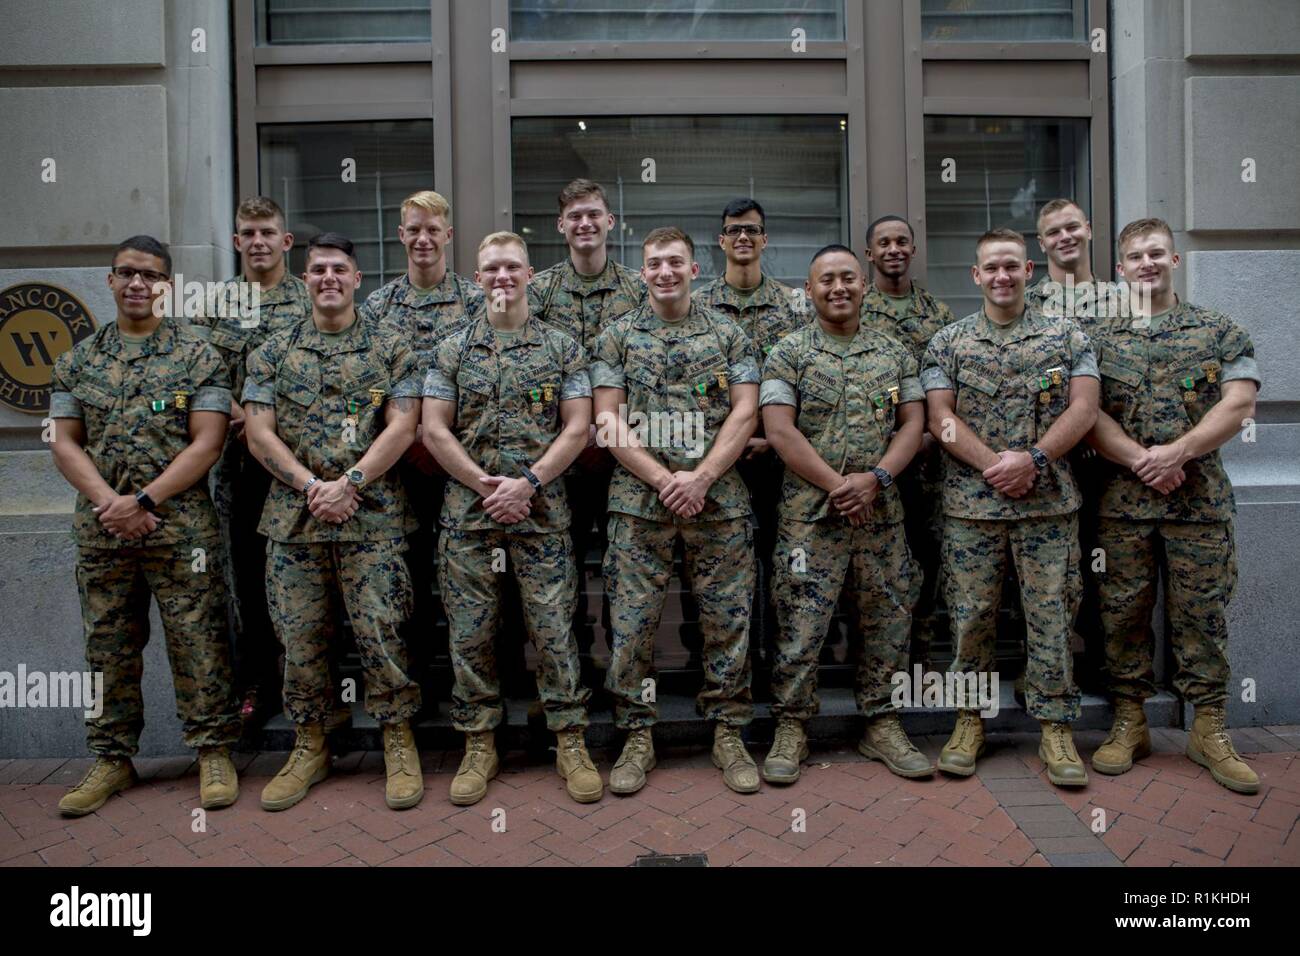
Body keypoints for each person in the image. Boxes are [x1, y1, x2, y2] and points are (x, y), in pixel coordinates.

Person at [50, 235, 240, 815]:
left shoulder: (199, 355)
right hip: (103, 531)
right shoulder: (77, 360)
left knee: (199, 641)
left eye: (151, 275)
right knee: (107, 648)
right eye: (127, 273)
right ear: (110, 281)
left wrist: (145, 500)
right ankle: (110, 757)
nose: (138, 283)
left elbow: (207, 440)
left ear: (168, 285)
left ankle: (213, 751)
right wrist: (112, 502)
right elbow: (64, 441)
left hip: (181, 532)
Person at [243, 233, 424, 811]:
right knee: (299, 641)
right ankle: (311, 742)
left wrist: (349, 484)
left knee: (382, 633)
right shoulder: (271, 350)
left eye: (338, 269)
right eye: (317, 269)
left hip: (372, 520)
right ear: (305, 279)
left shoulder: (393, 345)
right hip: (294, 523)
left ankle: (397, 737)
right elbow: (257, 431)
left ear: (357, 278)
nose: (328, 278)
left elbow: (402, 426)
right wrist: (310, 487)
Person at [423, 231, 602, 806]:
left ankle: (570, 739)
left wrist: (527, 483)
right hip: (470, 519)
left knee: (553, 630)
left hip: (542, 515)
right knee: (471, 634)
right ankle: (479, 742)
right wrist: (485, 486)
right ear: (477, 280)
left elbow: (579, 426)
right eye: (491, 269)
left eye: (512, 268)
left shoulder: (562, 347)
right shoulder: (451, 349)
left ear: (530, 274)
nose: (502, 277)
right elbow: (434, 428)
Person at [1086, 217, 1261, 794]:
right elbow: (1088, 416)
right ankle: (1129, 720)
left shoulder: (1219, 331)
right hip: (1123, 509)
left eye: (1157, 253)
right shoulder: (1098, 340)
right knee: (1122, 617)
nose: (1147, 264)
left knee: (1202, 616)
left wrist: (1179, 451)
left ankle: (1209, 727)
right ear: (1120, 268)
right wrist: (1144, 460)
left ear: (1175, 260)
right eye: (1135, 256)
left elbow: (1238, 404)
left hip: (1199, 506)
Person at [922, 228, 1099, 787]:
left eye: (1011, 267)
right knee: (970, 619)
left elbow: (1085, 409)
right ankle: (968, 720)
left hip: (1047, 508)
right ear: (976, 276)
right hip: (972, 510)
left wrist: (1035, 459)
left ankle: (1054, 727)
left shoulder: (1067, 336)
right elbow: (939, 419)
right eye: (990, 268)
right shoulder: (947, 343)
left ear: (1028, 271)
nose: (1001, 276)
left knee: (1050, 617)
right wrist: (996, 465)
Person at [591, 226, 761, 795]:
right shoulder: (617, 337)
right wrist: (668, 480)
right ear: (643, 273)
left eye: (675, 262)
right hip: (641, 507)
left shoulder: (730, 334)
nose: (664, 271)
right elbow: (608, 421)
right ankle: (637, 732)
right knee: (634, 626)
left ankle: (728, 731)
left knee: (727, 621)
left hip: (718, 504)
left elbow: (745, 414)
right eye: (654, 263)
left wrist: (703, 476)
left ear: (694, 269)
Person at [761, 244, 931, 783]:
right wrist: (840, 486)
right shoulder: (786, 352)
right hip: (810, 519)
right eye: (826, 280)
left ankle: (880, 722)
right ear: (809, 290)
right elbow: (779, 430)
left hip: (881, 515)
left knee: (886, 620)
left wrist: (875, 479)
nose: (838, 288)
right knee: (800, 624)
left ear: (864, 285)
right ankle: (791, 726)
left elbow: (913, 425)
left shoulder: (895, 351)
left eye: (848, 279)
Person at [366, 190, 485, 707]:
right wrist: (407, 435)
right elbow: (367, 383)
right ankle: (421, 687)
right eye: (413, 229)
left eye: (432, 229)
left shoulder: (477, 302)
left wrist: (438, 438)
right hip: (398, 467)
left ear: (448, 235)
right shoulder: (376, 306)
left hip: (464, 463)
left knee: (473, 577)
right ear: (401, 235)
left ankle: (480, 687)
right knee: (406, 576)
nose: (423, 239)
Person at [202, 196, 312, 725]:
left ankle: (317, 680)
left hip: (298, 465)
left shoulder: (309, 300)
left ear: (285, 241)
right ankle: (260, 684)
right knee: (246, 575)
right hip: (239, 464)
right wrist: (240, 412)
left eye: (268, 232)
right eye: (248, 233)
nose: (259, 242)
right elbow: (198, 374)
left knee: (307, 572)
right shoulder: (217, 304)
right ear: (237, 241)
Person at [528, 179, 645, 674]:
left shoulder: (639, 289)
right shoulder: (538, 293)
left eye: (594, 214)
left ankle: (621, 673)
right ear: (561, 225)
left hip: (629, 457)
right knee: (560, 571)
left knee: (625, 569)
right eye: (575, 215)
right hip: (560, 460)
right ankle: (570, 675)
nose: (585, 223)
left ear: (609, 221)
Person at [693, 197, 808, 670]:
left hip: (780, 460)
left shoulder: (795, 307)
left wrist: (776, 437)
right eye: (734, 230)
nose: (743, 237)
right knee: (712, 570)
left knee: (783, 564)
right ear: (720, 240)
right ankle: (718, 668)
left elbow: (808, 377)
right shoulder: (696, 305)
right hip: (715, 463)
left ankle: (776, 669)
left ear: (765, 239)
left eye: (753, 230)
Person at [860, 214, 956, 668]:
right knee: (874, 567)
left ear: (913, 251)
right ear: (869, 254)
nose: (894, 249)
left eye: (902, 241)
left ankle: (918, 659)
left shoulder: (938, 315)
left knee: (926, 557)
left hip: (926, 465)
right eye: (884, 243)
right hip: (869, 461)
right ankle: (874, 663)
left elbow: (948, 390)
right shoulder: (855, 307)